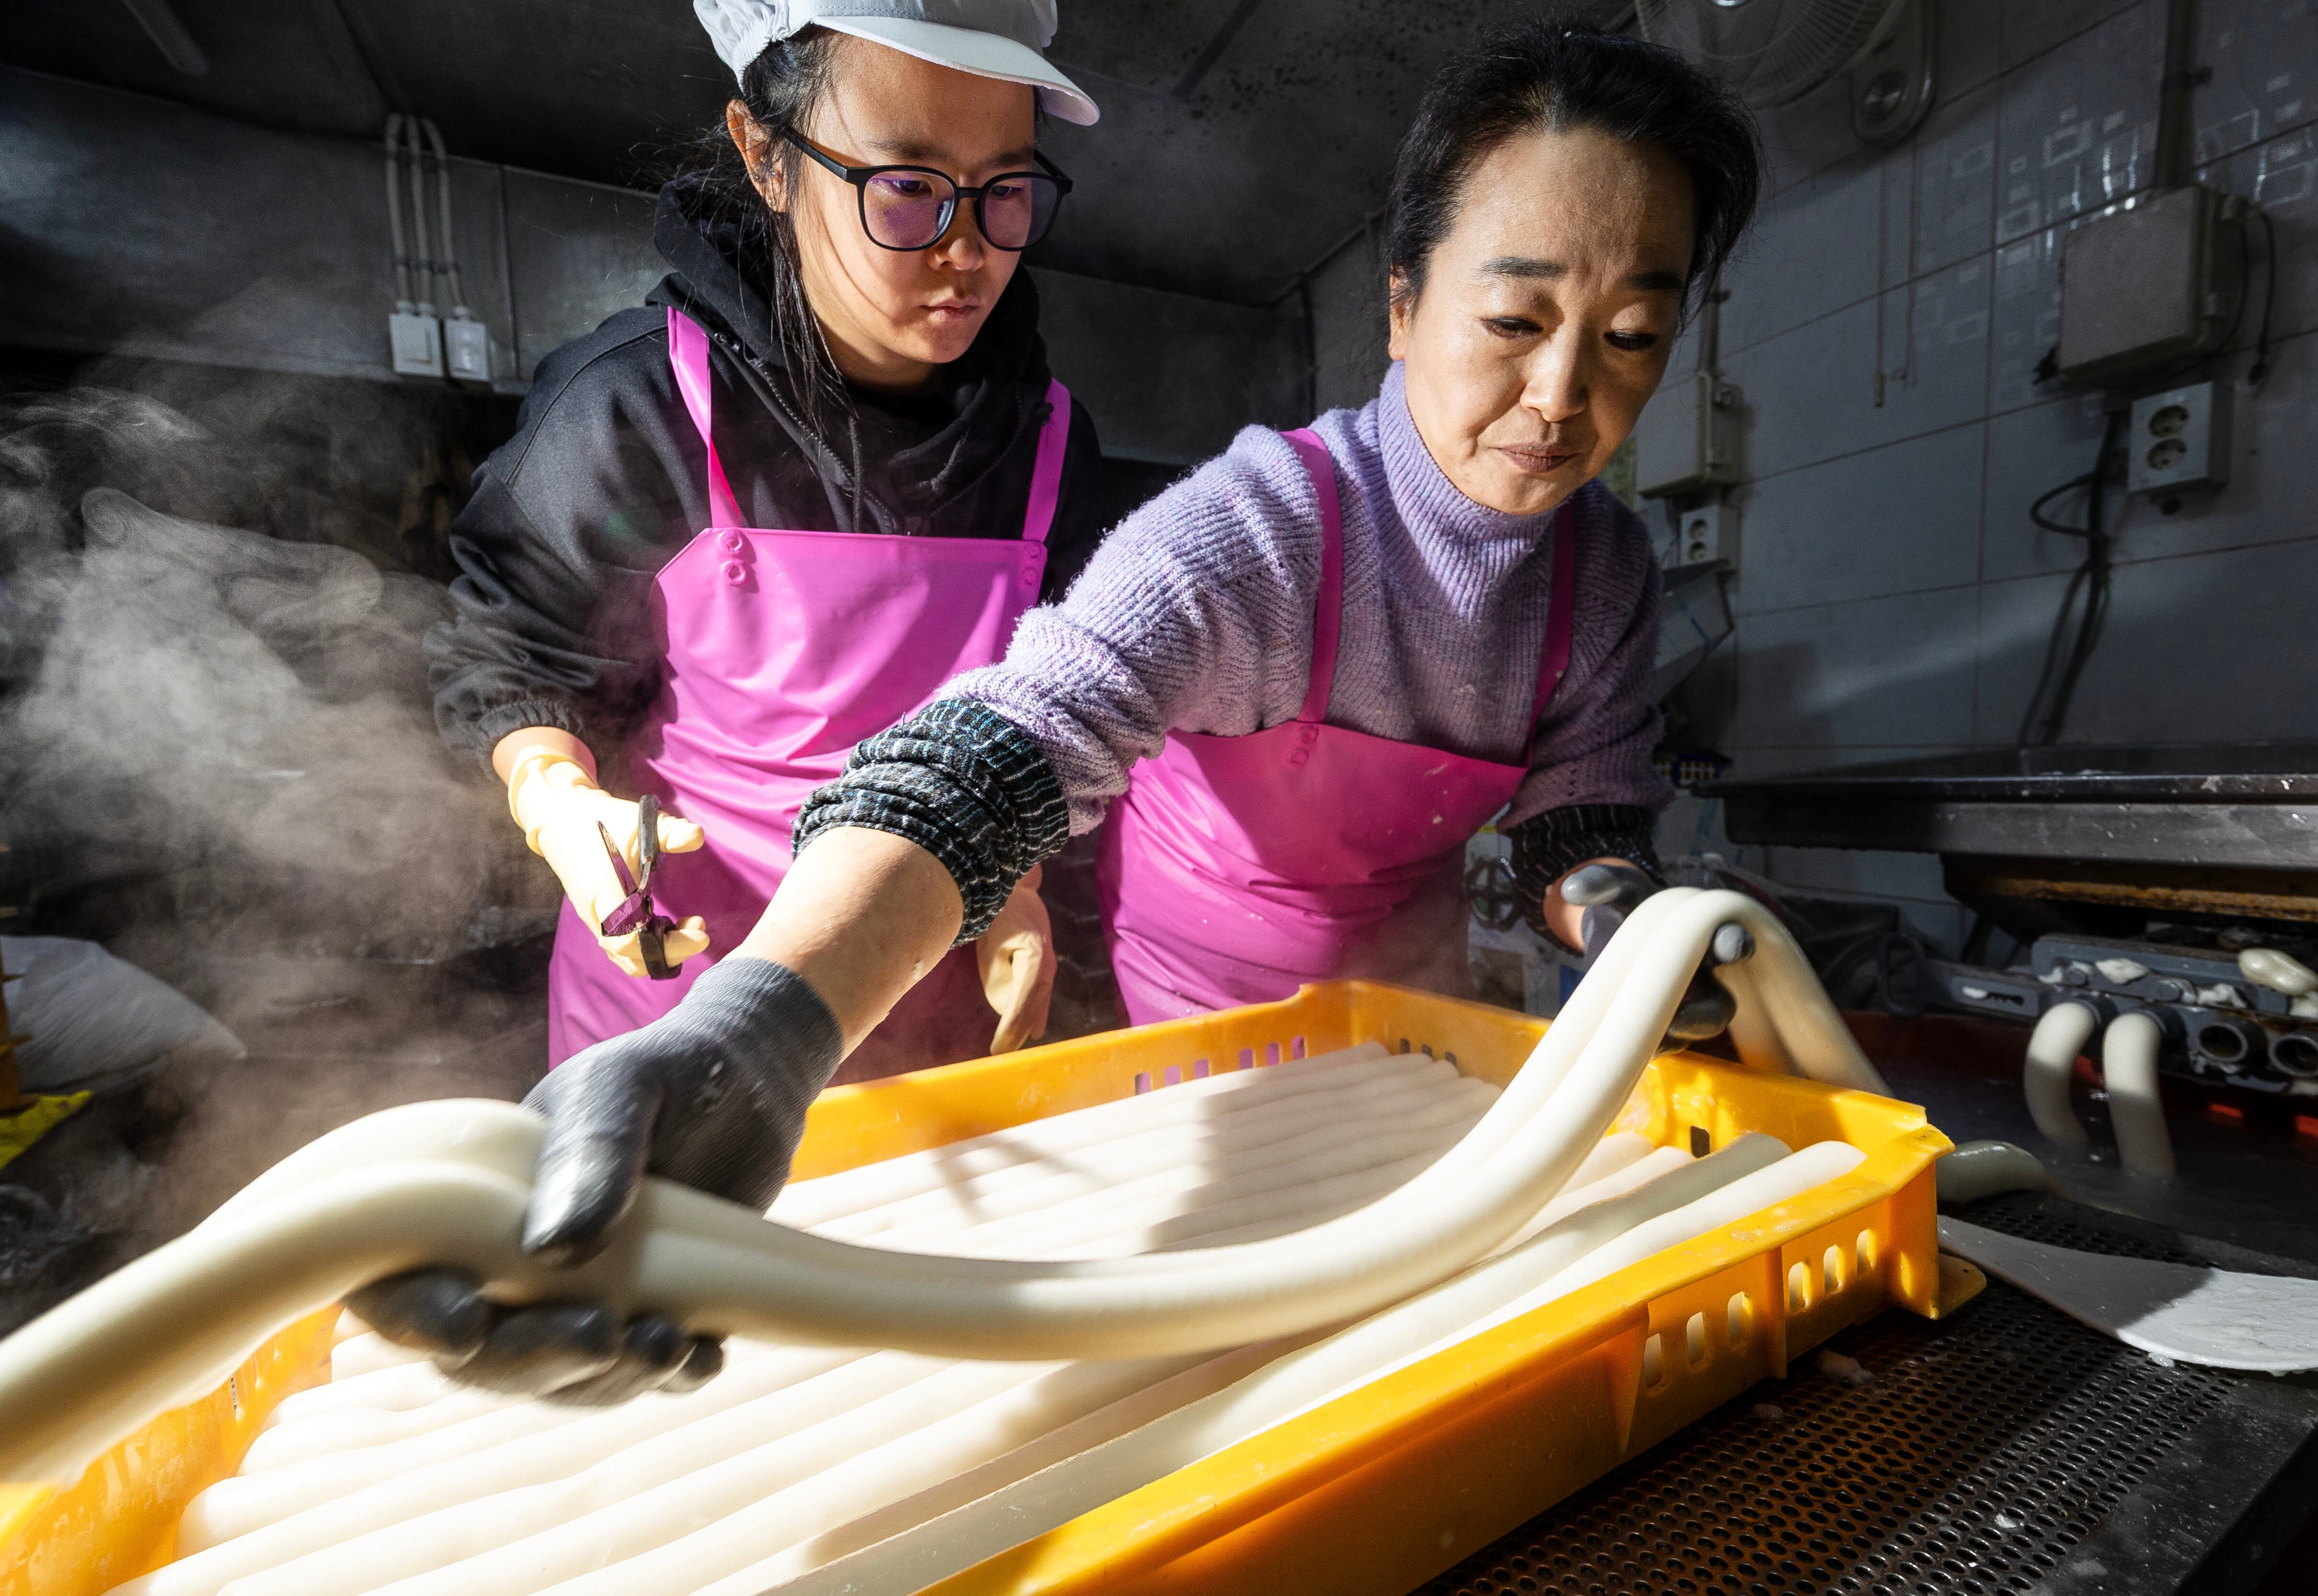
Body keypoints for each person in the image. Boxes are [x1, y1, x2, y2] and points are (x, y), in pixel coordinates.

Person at [361, 20, 1763, 1401]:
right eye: (1513, 322)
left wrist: (1634, 923)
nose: (1564, 396)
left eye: (1635, 337)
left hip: (1381, 1042)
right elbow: (1010, 741)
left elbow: (1580, 809)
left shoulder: (1599, 571)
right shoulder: (1264, 533)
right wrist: (761, 1024)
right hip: (828, 979)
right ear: (1402, 305)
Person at [425, 0, 1106, 1112]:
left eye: (1008, 189)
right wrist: (557, 797)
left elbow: (1052, 701)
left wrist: (1018, 874)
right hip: (681, 1018)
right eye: (907, 186)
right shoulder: (639, 409)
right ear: (766, 157)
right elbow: (510, 647)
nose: (967, 247)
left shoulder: (1049, 437)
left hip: (940, 1021)